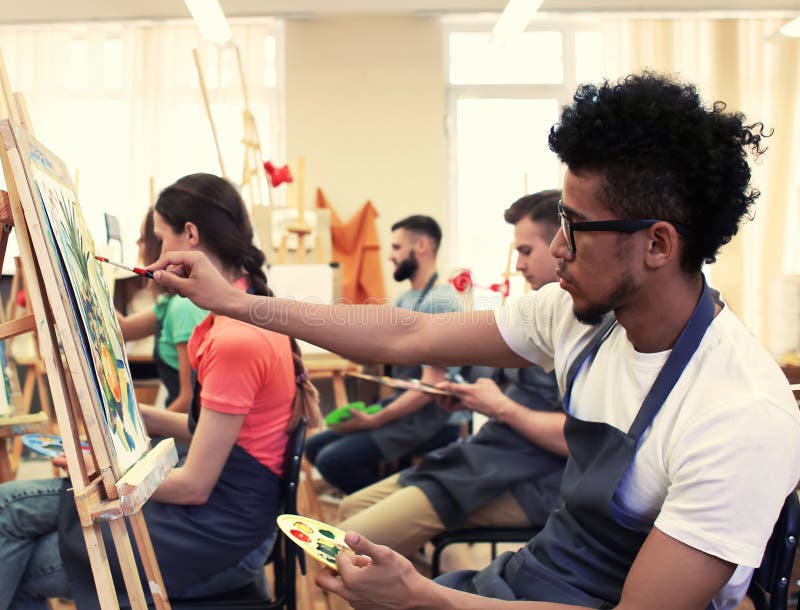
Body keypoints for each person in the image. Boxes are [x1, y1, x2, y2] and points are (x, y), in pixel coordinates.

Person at [150, 73, 800, 610]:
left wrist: (420, 597)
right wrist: (236, 302)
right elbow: (409, 331)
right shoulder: (581, 316)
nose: (554, 250)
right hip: (530, 581)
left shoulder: (740, 414)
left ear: (657, 244)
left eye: (574, 227)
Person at [0, 173, 321, 610]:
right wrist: (131, 418)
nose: (152, 254)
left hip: (217, 535)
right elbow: (207, 431)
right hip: (228, 519)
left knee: (14, 543)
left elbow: (193, 486)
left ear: (190, 235)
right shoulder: (238, 320)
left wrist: (106, 472)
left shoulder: (236, 340)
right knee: (10, 515)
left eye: (158, 238)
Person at [336, 190, 567, 558]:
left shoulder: (585, 328)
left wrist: (499, 406)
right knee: (346, 510)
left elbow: (579, 439)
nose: (519, 265)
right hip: (489, 453)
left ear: (562, 246)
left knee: (344, 540)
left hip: (524, 472)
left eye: (525, 252)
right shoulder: (540, 315)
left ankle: (402, 580)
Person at [305, 215, 463, 494]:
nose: (390, 256)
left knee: (333, 461)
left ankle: (395, 516)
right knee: (314, 445)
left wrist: (376, 419)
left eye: (397, 247)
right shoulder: (406, 299)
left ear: (422, 246)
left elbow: (430, 386)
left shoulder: (440, 302)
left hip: (432, 418)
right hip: (406, 405)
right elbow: (385, 355)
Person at [117, 207, 208, 412]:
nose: (138, 245)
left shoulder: (183, 308)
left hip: (188, 432)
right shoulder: (169, 304)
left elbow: (189, 402)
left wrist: (148, 430)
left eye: (143, 238)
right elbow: (121, 329)